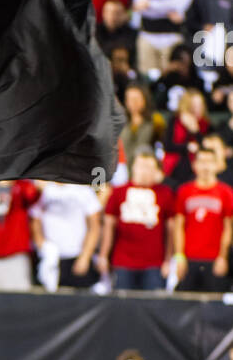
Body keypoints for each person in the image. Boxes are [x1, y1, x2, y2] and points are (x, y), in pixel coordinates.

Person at [99, 150, 174, 290]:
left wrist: (168, 260)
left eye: (149, 167)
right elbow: (109, 227)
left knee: (152, 306)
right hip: (123, 261)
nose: (144, 171)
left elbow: (170, 230)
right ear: (133, 167)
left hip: (154, 263)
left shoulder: (165, 193)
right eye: (141, 166)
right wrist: (104, 255)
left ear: (156, 171)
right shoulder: (119, 192)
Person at [173, 145, 233, 291]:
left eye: (210, 161)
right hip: (189, 259)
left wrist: (223, 257)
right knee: (185, 304)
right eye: (202, 161)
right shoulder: (184, 191)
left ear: (217, 165)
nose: (206, 166)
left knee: (214, 307)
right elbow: (178, 227)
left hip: (214, 260)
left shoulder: (226, 193)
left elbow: (228, 228)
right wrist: (179, 257)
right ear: (195, 165)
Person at [30, 181, 102, 289]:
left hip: (76, 256)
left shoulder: (83, 190)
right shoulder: (44, 190)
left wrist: (85, 257)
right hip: (51, 258)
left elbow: (94, 226)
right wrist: (42, 245)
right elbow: (35, 219)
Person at [162, 88, 209, 186]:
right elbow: (167, 146)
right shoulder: (175, 121)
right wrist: (187, 146)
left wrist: (195, 131)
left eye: (200, 106)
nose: (198, 110)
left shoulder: (206, 124)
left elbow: (207, 148)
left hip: (197, 168)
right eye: (194, 106)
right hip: (175, 166)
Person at [119, 84, 164, 171]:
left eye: (136, 99)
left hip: (147, 167)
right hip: (124, 169)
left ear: (145, 99)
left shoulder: (156, 120)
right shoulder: (122, 121)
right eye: (130, 99)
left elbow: (160, 146)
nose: (133, 103)